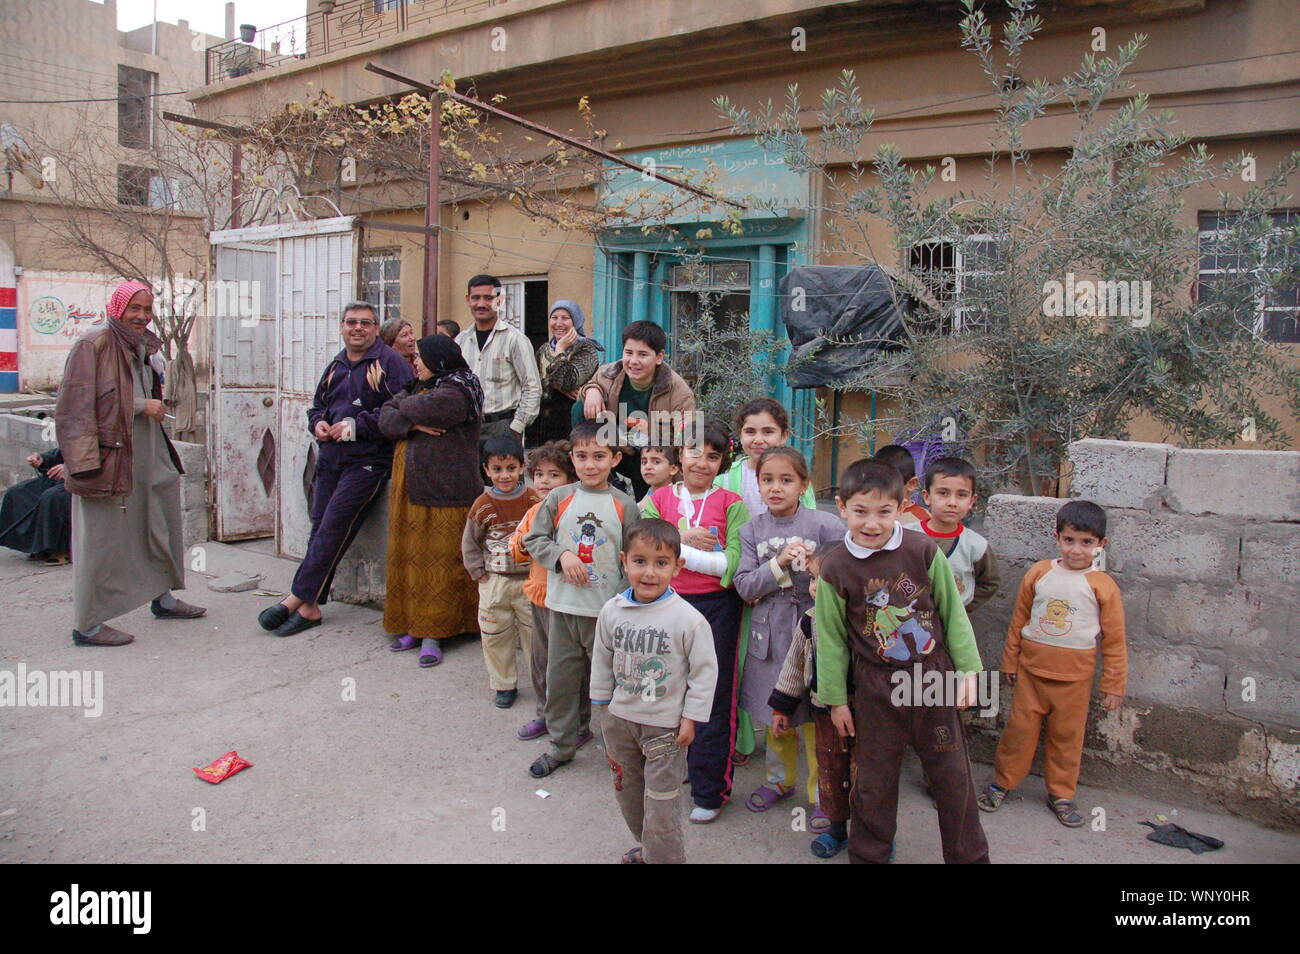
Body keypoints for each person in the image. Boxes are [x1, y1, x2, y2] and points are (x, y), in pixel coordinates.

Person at [816, 459, 989, 864]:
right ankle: (869, 856)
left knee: (953, 778)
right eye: (860, 511)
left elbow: (953, 614)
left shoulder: (922, 550)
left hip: (933, 682)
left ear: (903, 506)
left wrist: (968, 672)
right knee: (873, 784)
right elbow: (831, 639)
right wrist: (836, 699)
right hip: (876, 690)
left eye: (883, 512)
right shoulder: (836, 567)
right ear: (841, 507)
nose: (872, 524)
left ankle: (970, 857)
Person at [54, 280, 204, 646]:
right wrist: (140, 405)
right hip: (109, 457)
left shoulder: (141, 345)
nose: (140, 316)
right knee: (102, 540)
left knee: (161, 520)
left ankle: (163, 597)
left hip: (148, 452)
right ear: (118, 308)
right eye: (134, 309)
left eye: (147, 310)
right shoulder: (94, 343)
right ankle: (87, 625)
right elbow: (75, 406)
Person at [257, 302, 414, 637]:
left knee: (333, 526)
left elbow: (402, 411)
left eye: (365, 323)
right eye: (351, 323)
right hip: (330, 458)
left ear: (375, 328)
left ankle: (293, 598)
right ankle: (310, 607)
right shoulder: (336, 364)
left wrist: (355, 426)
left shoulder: (391, 364)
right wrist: (319, 425)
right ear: (342, 326)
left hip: (368, 461)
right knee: (321, 529)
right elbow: (317, 407)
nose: (357, 329)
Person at [978, 500, 1127, 828]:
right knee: (1018, 733)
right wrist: (1010, 663)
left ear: (1101, 545)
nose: (1076, 550)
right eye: (1070, 540)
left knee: (1067, 739)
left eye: (1086, 542)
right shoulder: (1040, 573)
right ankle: (1002, 783)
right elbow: (1018, 621)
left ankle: (1061, 794)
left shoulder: (1103, 586)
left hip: (1075, 681)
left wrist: (1114, 684)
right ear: (1057, 537)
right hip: (1031, 676)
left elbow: (1115, 641)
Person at [591, 518, 719, 864]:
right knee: (628, 794)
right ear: (624, 561)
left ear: (677, 567)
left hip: (665, 730)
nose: (649, 572)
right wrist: (602, 706)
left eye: (661, 563)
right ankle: (648, 850)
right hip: (619, 722)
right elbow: (602, 659)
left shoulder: (688, 619)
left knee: (661, 805)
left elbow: (704, 674)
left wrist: (692, 719)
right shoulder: (612, 611)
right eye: (640, 561)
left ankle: (664, 857)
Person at [639, 422, 748, 823]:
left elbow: (734, 563)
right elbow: (644, 545)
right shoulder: (659, 498)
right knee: (664, 692)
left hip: (717, 607)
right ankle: (667, 773)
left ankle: (710, 789)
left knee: (712, 696)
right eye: (693, 451)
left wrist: (676, 550)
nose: (701, 462)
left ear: (723, 462)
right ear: (679, 456)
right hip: (665, 603)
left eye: (713, 455)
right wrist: (683, 537)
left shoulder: (733, 503)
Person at [523, 419, 640, 778]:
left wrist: (621, 602)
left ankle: (620, 749)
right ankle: (561, 745)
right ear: (571, 458)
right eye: (582, 456)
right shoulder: (559, 498)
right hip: (562, 609)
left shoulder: (624, 505)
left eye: (599, 456)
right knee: (560, 680)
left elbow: (632, 559)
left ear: (616, 458)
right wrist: (562, 555)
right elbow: (534, 540)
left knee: (611, 683)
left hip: (606, 614)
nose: (590, 464)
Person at [733, 447, 843, 820]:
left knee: (814, 721)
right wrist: (777, 563)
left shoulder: (825, 526)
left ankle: (821, 793)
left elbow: (847, 569)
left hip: (814, 632)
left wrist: (819, 572)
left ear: (803, 485)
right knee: (776, 717)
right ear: (758, 484)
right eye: (767, 480)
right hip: (769, 637)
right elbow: (745, 587)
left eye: (786, 480)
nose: (775, 488)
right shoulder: (751, 529)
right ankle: (779, 781)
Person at [378, 333, 483, 668]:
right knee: (413, 558)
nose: (415, 363)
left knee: (441, 563)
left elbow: (416, 409)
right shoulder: (422, 386)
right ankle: (414, 624)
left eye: (421, 358)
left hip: (446, 491)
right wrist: (411, 423)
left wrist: (400, 410)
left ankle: (436, 633)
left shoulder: (458, 390)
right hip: (413, 490)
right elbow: (385, 419)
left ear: (438, 359)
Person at [767, 544, 854, 859]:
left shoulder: (861, 620)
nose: (816, 588)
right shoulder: (809, 620)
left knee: (867, 776)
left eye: (824, 580)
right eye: (813, 580)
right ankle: (836, 830)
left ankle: (876, 832)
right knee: (831, 770)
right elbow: (793, 666)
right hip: (823, 712)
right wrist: (782, 707)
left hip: (863, 714)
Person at [577, 320, 695, 500]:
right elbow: (588, 390)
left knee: (648, 458)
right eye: (628, 353)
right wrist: (592, 390)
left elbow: (687, 440)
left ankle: (649, 503)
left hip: (648, 454)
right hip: (612, 446)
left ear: (659, 357)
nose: (633, 361)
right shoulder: (608, 373)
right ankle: (602, 477)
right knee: (578, 409)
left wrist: (655, 433)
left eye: (642, 354)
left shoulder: (678, 392)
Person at [462, 434, 540, 707]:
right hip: (495, 581)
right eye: (497, 469)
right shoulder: (482, 505)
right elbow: (470, 542)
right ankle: (504, 684)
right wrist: (479, 573)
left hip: (530, 580)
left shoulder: (533, 498)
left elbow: (544, 533)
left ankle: (542, 684)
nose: (504, 475)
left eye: (510, 468)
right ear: (486, 470)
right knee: (496, 635)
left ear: (522, 467)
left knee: (535, 635)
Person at [509, 441, 577, 740]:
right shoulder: (534, 511)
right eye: (539, 475)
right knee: (541, 660)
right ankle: (544, 714)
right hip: (541, 596)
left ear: (570, 479)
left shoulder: (577, 511)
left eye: (554, 475)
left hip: (573, 600)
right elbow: (516, 547)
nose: (545, 482)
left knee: (571, 665)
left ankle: (574, 722)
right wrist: (527, 543)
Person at [454, 274, 541, 452]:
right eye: (475, 297)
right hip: (467, 429)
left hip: (503, 427)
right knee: (471, 480)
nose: (481, 304)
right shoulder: (461, 341)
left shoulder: (515, 339)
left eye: (488, 298)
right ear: (467, 300)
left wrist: (516, 427)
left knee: (504, 480)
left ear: (499, 300)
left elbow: (532, 387)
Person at [919, 456, 1000, 613]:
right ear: (927, 496)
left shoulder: (975, 545)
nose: (952, 502)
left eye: (961, 495)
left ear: (972, 501)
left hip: (954, 625)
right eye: (943, 493)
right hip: (909, 621)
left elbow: (990, 582)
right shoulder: (907, 535)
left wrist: (964, 605)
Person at [717, 398, 816, 516]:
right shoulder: (724, 476)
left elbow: (810, 521)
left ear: (784, 436)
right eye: (750, 431)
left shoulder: (796, 476)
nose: (758, 440)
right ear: (740, 435)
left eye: (768, 432)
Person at [530, 300, 602, 447]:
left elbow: (567, 382)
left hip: (574, 420)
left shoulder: (586, 348)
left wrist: (561, 349)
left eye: (565, 318)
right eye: (554, 317)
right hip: (546, 422)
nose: (558, 323)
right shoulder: (543, 350)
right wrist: (551, 383)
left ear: (576, 321)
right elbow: (536, 384)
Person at [0, 447, 72, 564]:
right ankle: (39, 545)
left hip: (86, 479)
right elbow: (61, 452)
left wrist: (70, 467)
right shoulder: (71, 431)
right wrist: (42, 459)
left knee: (52, 496)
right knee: (16, 493)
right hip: (62, 477)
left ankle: (62, 548)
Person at [873, 444, 928, 527]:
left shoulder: (924, 522)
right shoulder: (868, 516)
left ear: (911, 483)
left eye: (889, 485)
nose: (882, 491)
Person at [638, 446, 679, 510]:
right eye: (644, 462)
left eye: (656, 462)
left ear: (673, 469)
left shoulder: (677, 504)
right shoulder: (642, 502)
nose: (647, 466)